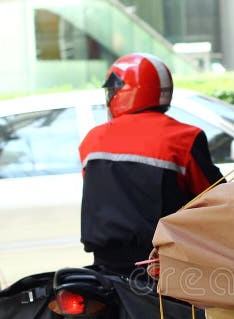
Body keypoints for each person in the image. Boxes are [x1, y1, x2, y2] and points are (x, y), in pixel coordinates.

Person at [79, 53, 222, 274]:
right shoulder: (185, 137)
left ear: (121, 90)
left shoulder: (92, 140)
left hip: (106, 267)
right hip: (166, 267)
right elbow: (216, 198)